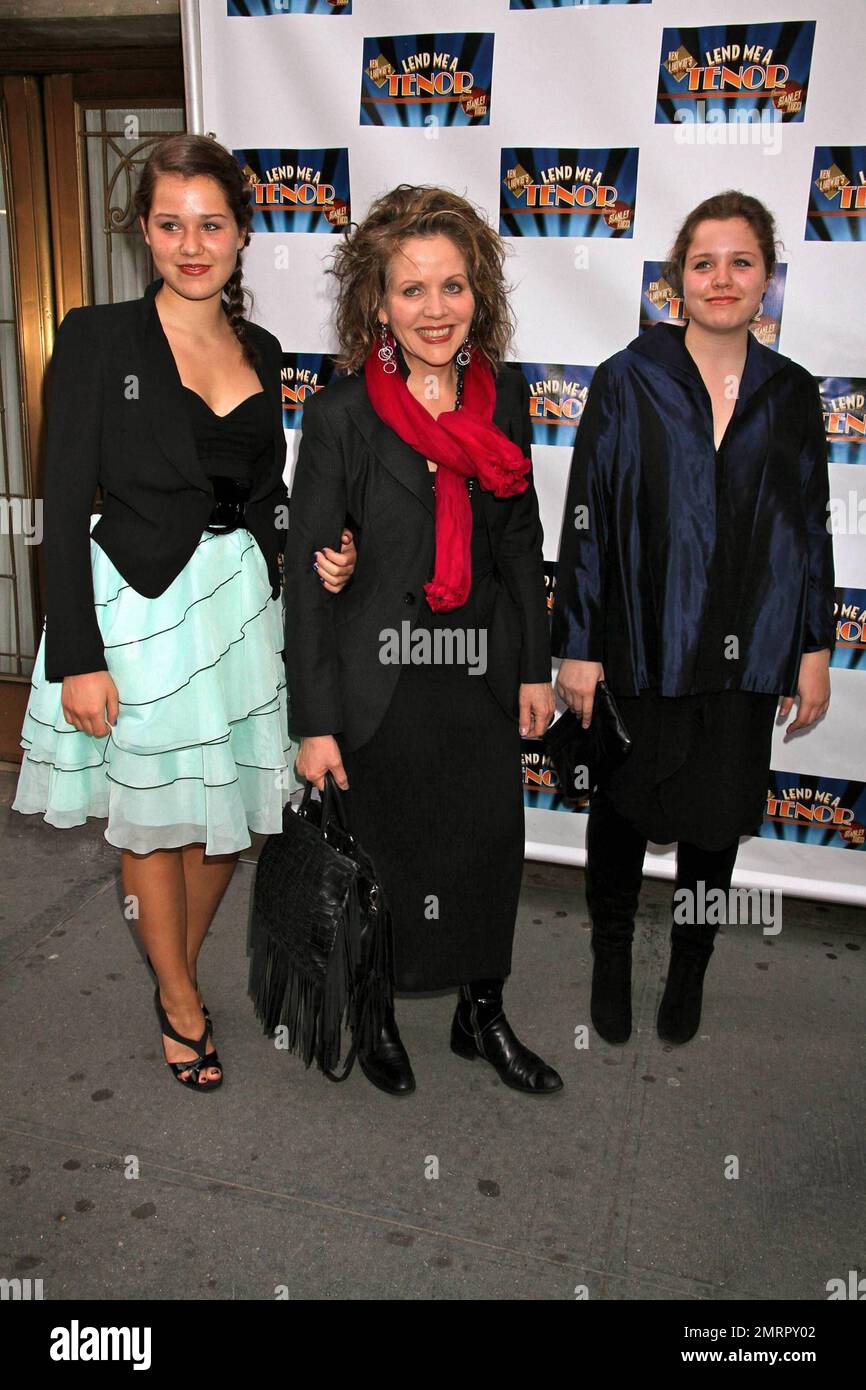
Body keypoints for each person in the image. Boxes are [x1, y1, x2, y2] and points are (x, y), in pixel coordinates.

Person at [12, 134, 356, 1092]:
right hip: (138, 609)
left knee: (230, 824)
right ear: (145, 232)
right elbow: (57, 499)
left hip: (242, 608)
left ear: (244, 234)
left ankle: (177, 968)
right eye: (172, 224)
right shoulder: (95, 337)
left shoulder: (263, 350)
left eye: (212, 224)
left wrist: (315, 553)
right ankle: (178, 999)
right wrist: (76, 656)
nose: (192, 243)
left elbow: (263, 490)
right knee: (153, 823)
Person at [284, 184, 563, 1097]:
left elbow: (521, 544)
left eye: (452, 287)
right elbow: (311, 583)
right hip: (383, 683)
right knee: (387, 865)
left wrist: (533, 667)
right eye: (412, 290)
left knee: (485, 855)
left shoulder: (504, 398)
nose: (434, 310)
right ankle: (373, 1014)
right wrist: (315, 723)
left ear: (479, 293)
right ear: (378, 302)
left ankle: (480, 1015)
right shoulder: (339, 419)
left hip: (478, 676)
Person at [552, 190, 835, 1047]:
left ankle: (690, 966)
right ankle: (609, 957)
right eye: (704, 262)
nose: (722, 278)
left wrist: (814, 646)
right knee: (622, 814)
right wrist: (579, 647)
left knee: (716, 827)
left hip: (744, 660)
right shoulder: (627, 378)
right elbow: (586, 517)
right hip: (640, 648)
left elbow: (809, 526)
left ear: (766, 280)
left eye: (741, 261)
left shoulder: (791, 395)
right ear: (677, 279)